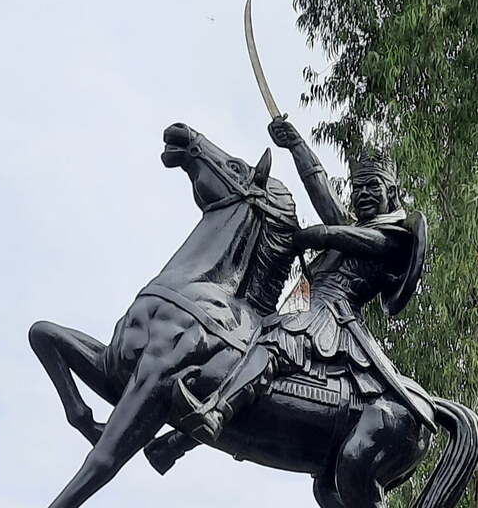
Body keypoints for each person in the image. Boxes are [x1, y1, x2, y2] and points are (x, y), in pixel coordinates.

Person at [173, 117, 430, 446]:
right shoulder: (354, 224)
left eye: (373, 187)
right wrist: (296, 144)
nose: (363, 194)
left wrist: (317, 235)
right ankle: (179, 440)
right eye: (358, 188)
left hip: (331, 314)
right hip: (306, 299)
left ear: (391, 192)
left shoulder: (393, 236)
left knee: (275, 343)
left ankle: (217, 413)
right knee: (241, 342)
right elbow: (319, 187)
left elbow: (353, 238)